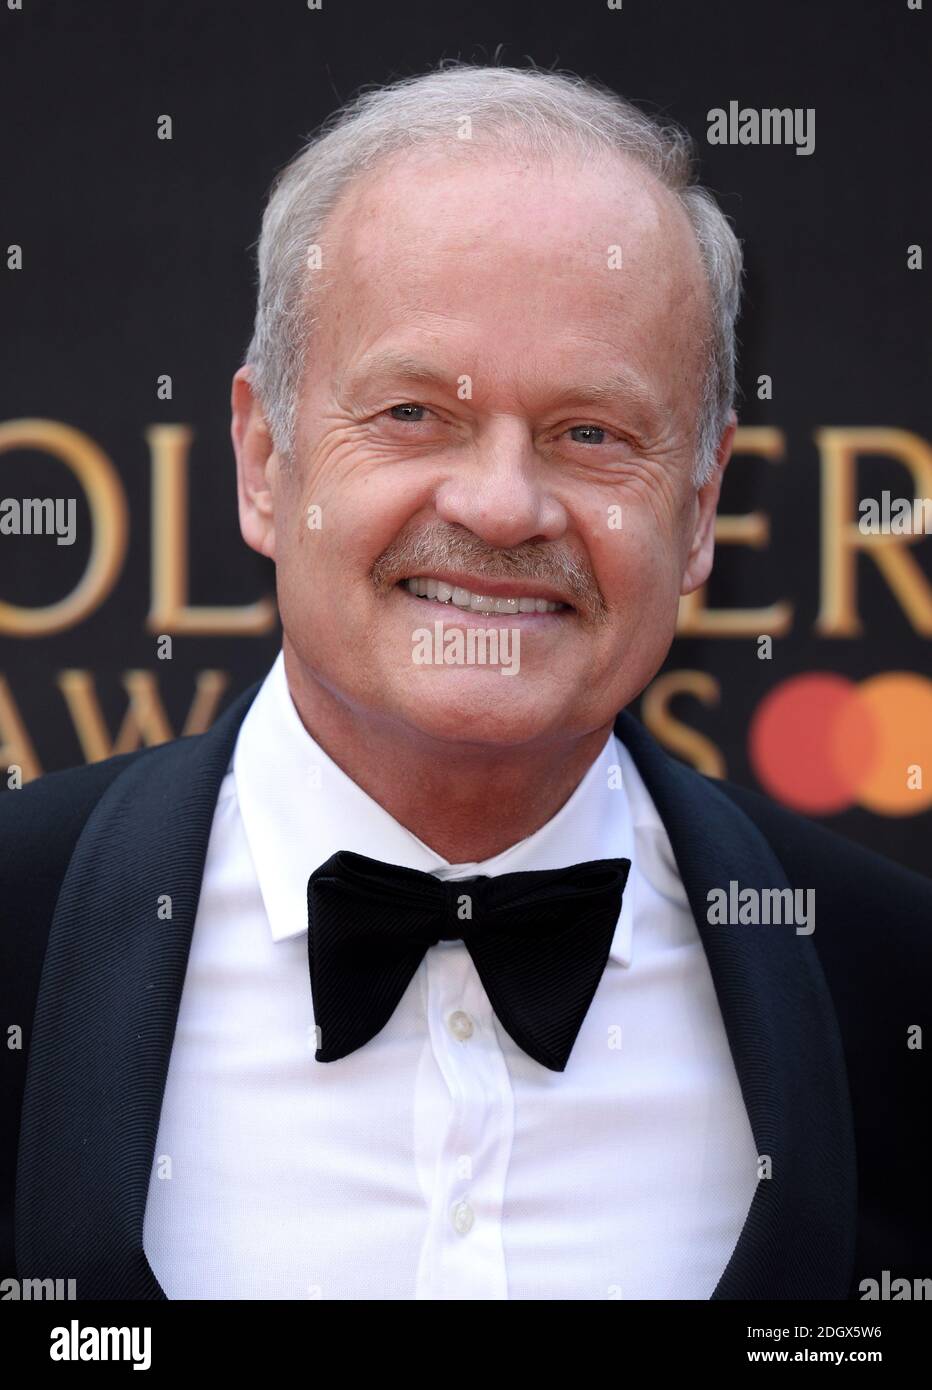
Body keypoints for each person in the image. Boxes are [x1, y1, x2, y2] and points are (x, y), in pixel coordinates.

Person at [2, 62, 928, 1301]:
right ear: (265, 461)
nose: (500, 505)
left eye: (589, 432)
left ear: (698, 511)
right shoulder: (18, 922)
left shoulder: (888, 980)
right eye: (410, 414)